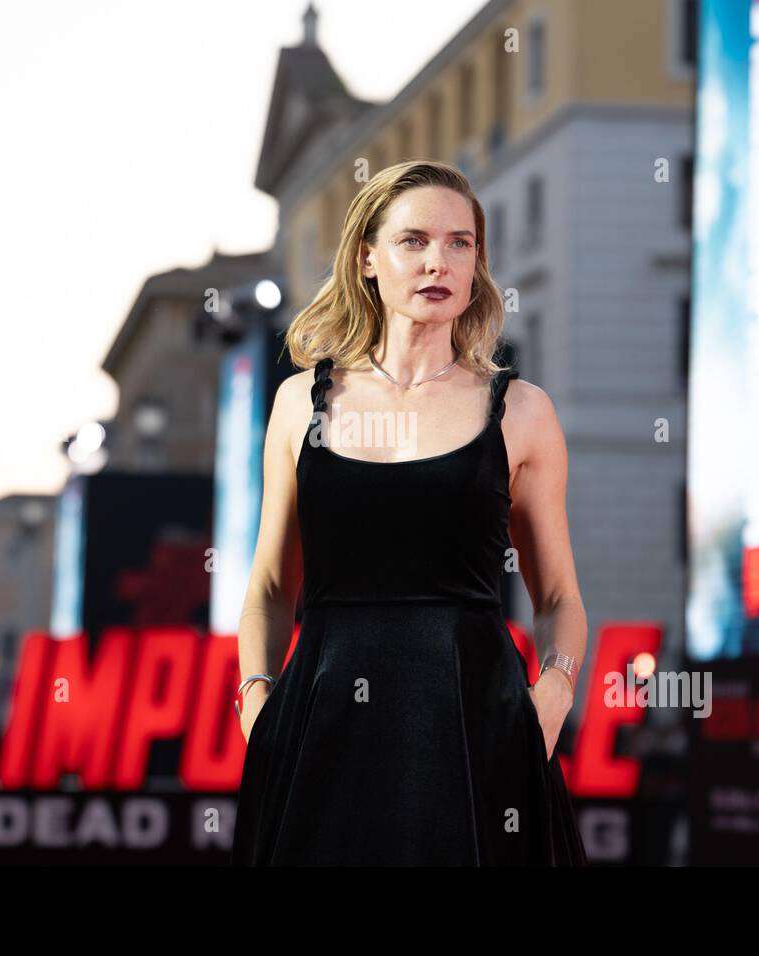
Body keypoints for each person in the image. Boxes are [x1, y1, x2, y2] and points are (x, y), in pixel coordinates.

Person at [230, 159, 588, 865]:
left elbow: (560, 599)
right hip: (319, 735)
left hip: (476, 732)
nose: (439, 261)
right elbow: (270, 589)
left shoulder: (523, 411)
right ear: (366, 256)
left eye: (461, 243)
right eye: (414, 240)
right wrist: (257, 708)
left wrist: (551, 696)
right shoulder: (299, 404)